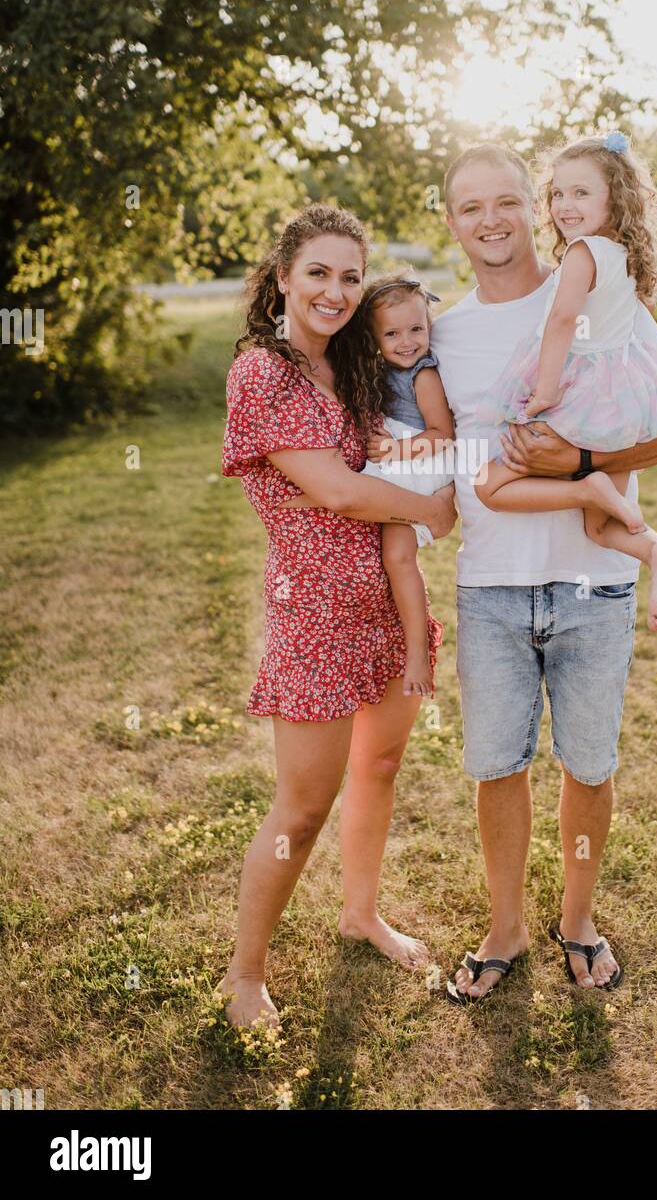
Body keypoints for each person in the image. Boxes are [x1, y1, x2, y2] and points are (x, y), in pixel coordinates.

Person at [429, 144, 657, 1002]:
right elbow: (429, 451)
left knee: (588, 766)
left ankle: (577, 921)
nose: (490, 220)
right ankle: (504, 925)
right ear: (450, 220)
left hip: (593, 582)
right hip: (490, 583)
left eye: (506, 201)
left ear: (534, 207)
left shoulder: (594, 289)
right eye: (469, 207)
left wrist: (582, 455)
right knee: (495, 766)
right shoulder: (443, 333)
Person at [219, 204, 456, 1030]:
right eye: (317, 272)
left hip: (387, 606)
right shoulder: (262, 374)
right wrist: (431, 508)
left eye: (350, 275)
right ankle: (244, 974)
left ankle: (360, 913)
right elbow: (336, 489)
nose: (335, 289)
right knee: (302, 806)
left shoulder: (353, 369)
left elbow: (398, 431)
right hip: (315, 614)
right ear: (282, 276)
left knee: (379, 771)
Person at [473, 132, 657, 632]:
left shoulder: (581, 253)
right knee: (601, 527)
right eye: (558, 193)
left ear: (615, 196)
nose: (565, 205)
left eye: (581, 193)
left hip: (577, 398)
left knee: (489, 483)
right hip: (622, 406)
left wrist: (546, 390)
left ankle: (588, 487)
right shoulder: (624, 257)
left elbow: (563, 322)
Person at [357, 273, 456, 698]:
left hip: (419, 461)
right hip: (395, 458)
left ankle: (418, 650)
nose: (407, 342)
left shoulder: (423, 375)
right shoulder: (376, 369)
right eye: (392, 333)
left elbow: (442, 434)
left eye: (417, 329)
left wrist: (397, 451)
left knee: (398, 555)